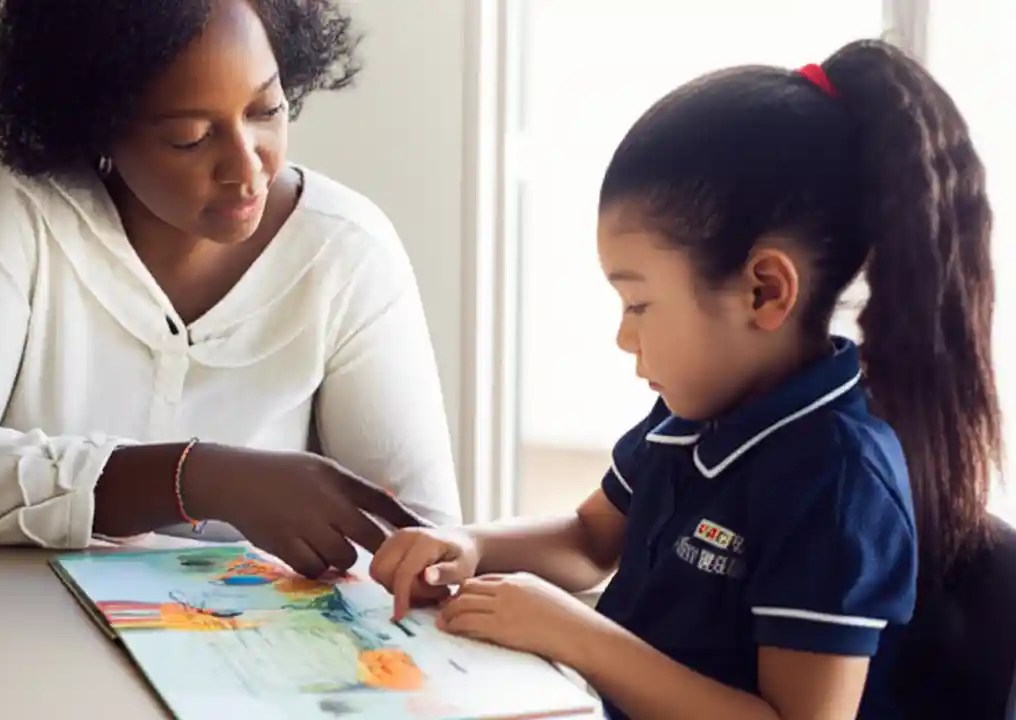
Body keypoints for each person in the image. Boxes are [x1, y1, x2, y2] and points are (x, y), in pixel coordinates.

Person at [371, 39, 1001, 719]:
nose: (623, 335)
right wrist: (473, 545)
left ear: (764, 291)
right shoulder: (692, 414)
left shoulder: (838, 482)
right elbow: (588, 541)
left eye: (638, 304)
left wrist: (572, 633)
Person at [0, 0, 462, 578]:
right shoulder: (13, 196)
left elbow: (424, 539)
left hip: (244, 668)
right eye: (190, 138)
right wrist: (196, 475)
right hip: (12, 644)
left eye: (266, 111)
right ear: (98, 124)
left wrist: (425, 561)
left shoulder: (348, 250)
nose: (246, 168)